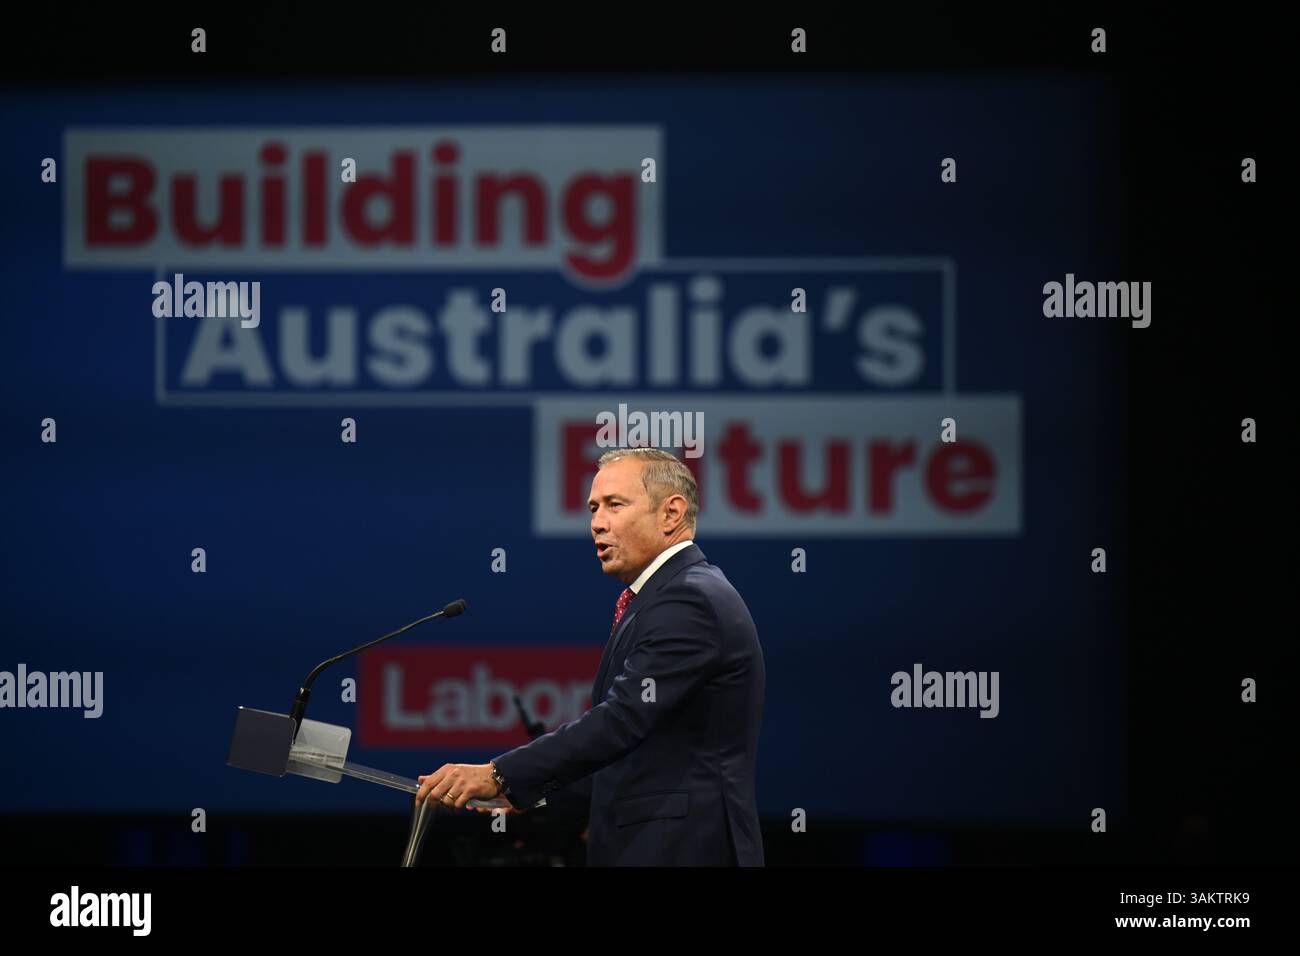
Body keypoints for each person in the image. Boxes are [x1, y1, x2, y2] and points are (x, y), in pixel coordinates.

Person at [416, 447, 766, 865]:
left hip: (684, 848)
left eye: (615, 505)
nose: (597, 523)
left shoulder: (689, 599)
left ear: (671, 513)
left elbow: (621, 720)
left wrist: (499, 775)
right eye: (593, 508)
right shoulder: (660, 598)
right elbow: (633, 754)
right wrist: (534, 795)